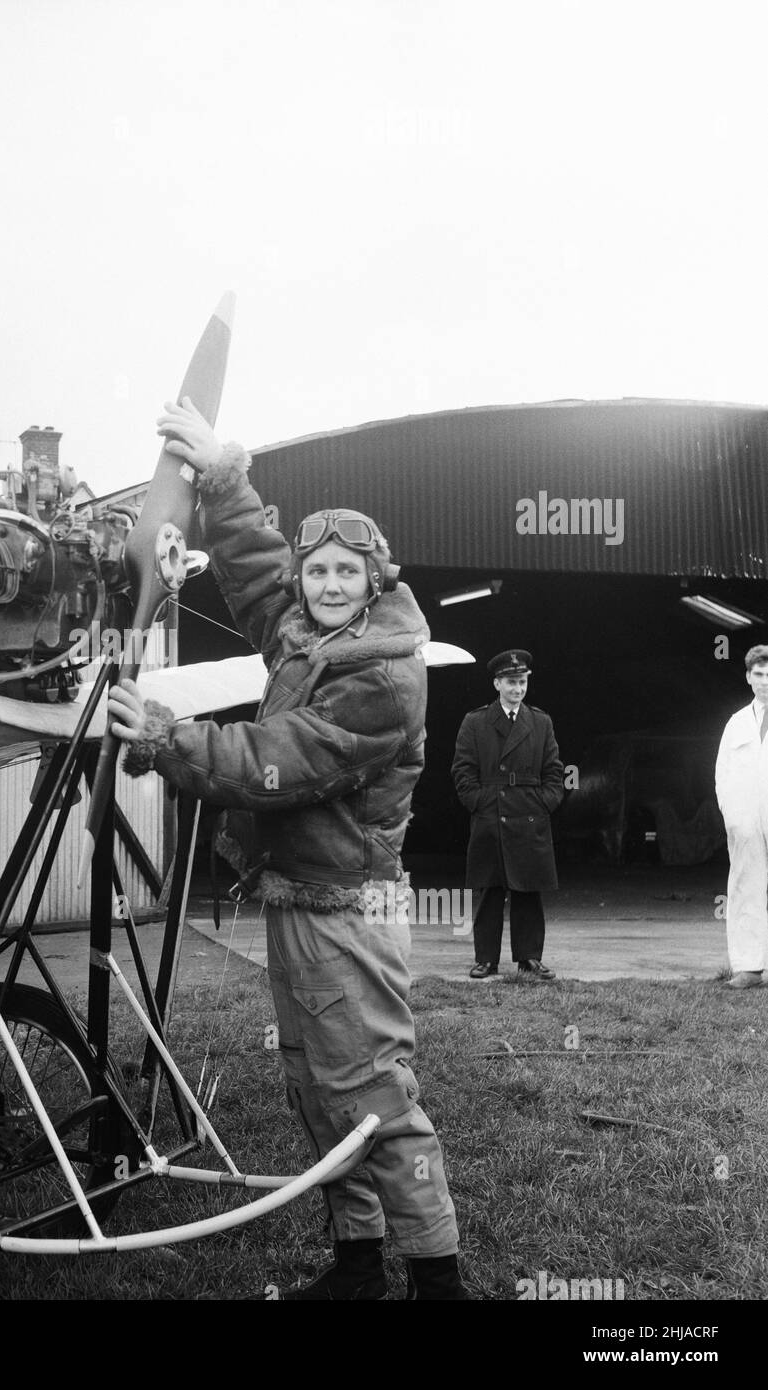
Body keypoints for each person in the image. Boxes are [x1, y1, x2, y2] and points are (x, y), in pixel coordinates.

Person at [107, 397, 465, 1301]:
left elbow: (275, 762)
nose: (328, 585)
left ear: (376, 580)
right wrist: (222, 478)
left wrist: (165, 737)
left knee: (375, 1097)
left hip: (350, 913)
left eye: (348, 571)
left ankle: (438, 1279)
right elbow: (262, 576)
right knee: (315, 1087)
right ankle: (357, 1266)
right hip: (300, 899)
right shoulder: (309, 633)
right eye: (320, 571)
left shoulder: (382, 679)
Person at [451, 651, 565, 981]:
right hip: (492, 816)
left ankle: (529, 958)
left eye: (523, 682)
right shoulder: (476, 722)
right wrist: (480, 802)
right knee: (490, 890)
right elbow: (462, 771)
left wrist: (545, 802)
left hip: (530, 815)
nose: (518, 688)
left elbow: (554, 770)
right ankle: (486, 959)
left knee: (528, 890)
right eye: (512, 682)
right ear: (497, 683)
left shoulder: (540, 722)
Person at [714, 644, 768, 990]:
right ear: (749, 677)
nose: (766, 682)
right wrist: (733, 818)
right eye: (759, 675)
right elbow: (723, 775)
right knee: (747, 887)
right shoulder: (736, 724)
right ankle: (749, 967)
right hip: (747, 822)